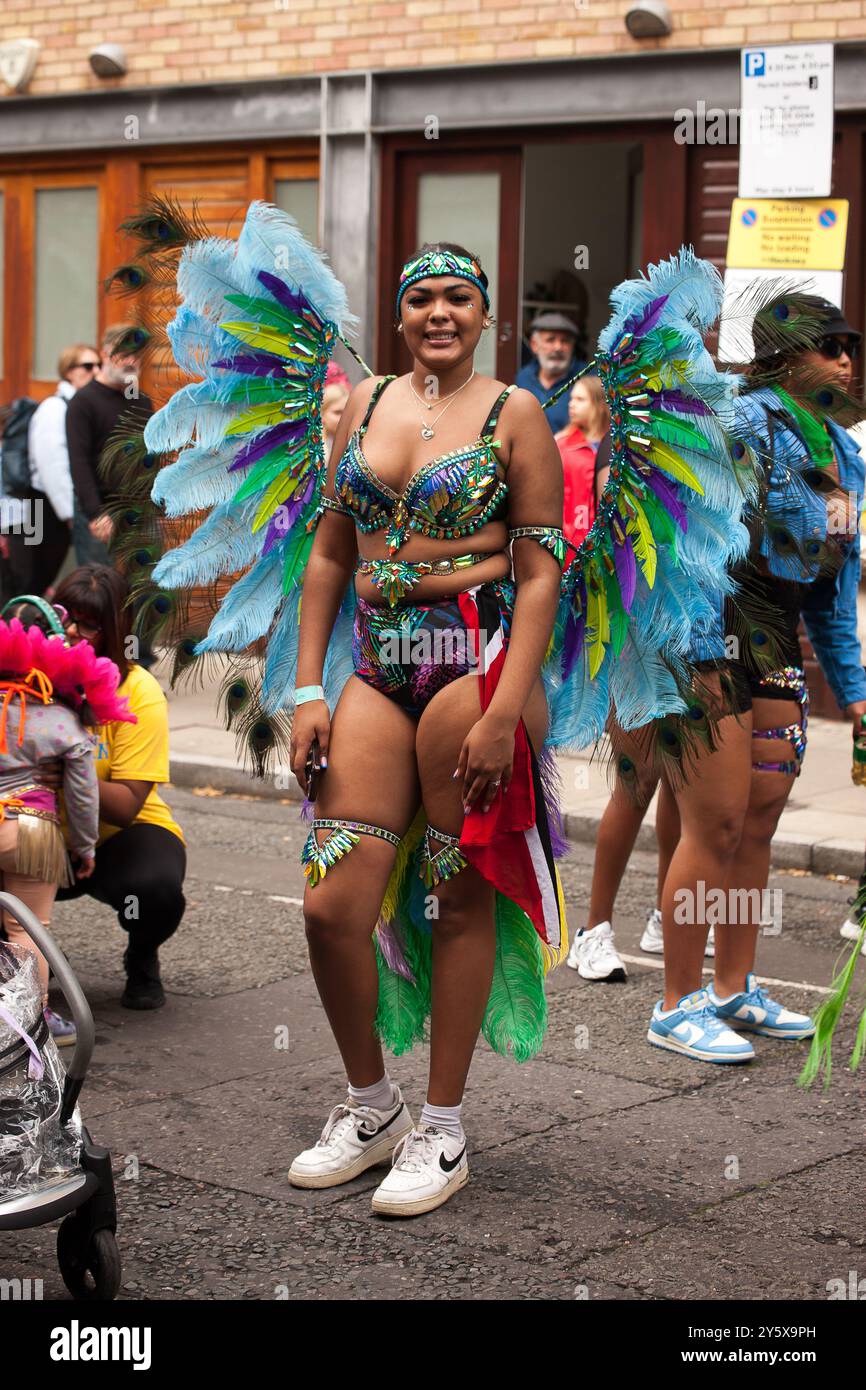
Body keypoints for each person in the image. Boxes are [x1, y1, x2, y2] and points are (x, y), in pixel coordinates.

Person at [129, 206, 754, 1216]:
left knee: (457, 894)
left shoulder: (514, 414)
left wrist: (508, 708)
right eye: (418, 297)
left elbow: (543, 574)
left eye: (456, 297)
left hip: (476, 659)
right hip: (376, 667)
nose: (436, 312)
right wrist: (304, 687)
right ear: (398, 314)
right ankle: (369, 1104)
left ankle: (445, 1126)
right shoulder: (365, 403)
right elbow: (330, 552)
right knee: (334, 901)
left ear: (485, 315)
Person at [43, 565, 186, 1010]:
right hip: (36, 834)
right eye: (65, 616)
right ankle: (30, 958)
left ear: (114, 631)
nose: (72, 631)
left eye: (88, 624)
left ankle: (142, 954)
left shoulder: (138, 691)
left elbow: (126, 806)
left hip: (114, 841)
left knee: (155, 890)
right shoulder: (27, 675)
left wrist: (67, 770)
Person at [0, 605, 134, 1044]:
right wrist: (85, 847)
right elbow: (82, 796)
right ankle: (32, 1025)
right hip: (33, 829)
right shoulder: (62, 718)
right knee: (28, 930)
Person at [5, 344, 102, 598]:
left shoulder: (78, 406)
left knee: (40, 579)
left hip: (54, 508)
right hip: (38, 508)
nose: (96, 371)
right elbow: (53, 465)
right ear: (69, 371)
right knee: (28, 580)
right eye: (88, 366)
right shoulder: (55, 408)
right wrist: (71, 514)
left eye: (99, 365)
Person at [65, 325, 153, 567]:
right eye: (124, 354)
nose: (131, 361)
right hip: (100, 511)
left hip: (139, 513)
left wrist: (157, 504)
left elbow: (150, 457)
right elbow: (78, 462)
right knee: (100, 589)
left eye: (136, 355)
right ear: (105, 354)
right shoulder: (83, 402)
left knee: (147, 592)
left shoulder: (141, 401)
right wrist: (95, 514)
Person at [556, 376, 610, 549]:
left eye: (580, 399)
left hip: (606, 542)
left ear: (600, 404)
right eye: (572, 398)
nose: (571, 404)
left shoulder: (613, 447)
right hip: (570, 544)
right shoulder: (561, 445)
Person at [516, 311, 587, 434]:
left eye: (565, 341)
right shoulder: (523, 378)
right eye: (550, 340)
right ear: (534, 345)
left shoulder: (588, 379)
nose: (558, 347)